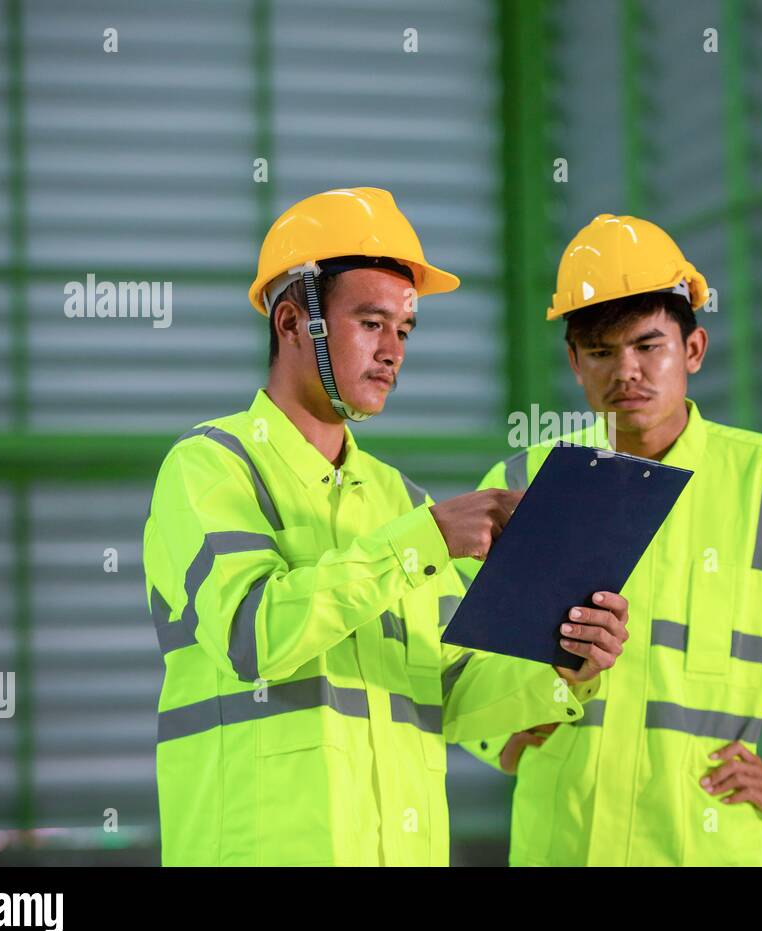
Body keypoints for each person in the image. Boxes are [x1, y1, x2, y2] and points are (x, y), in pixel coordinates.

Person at [142, 188, 628, 865]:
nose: (392, 351)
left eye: (403, 330)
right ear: (291, 323)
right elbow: (254, 636)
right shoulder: (211, 468)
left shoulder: (398, 498)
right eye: (370, 323)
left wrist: (564, 666)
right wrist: (422, 540)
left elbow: (450, 692)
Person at [458, 214, 762, 865]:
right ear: (574, 362)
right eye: (601, 351)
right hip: (561, 845)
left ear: (695, 350)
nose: (627, 371)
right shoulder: (523, 485)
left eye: (649, 346)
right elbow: (453, 656)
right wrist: (503, 739)